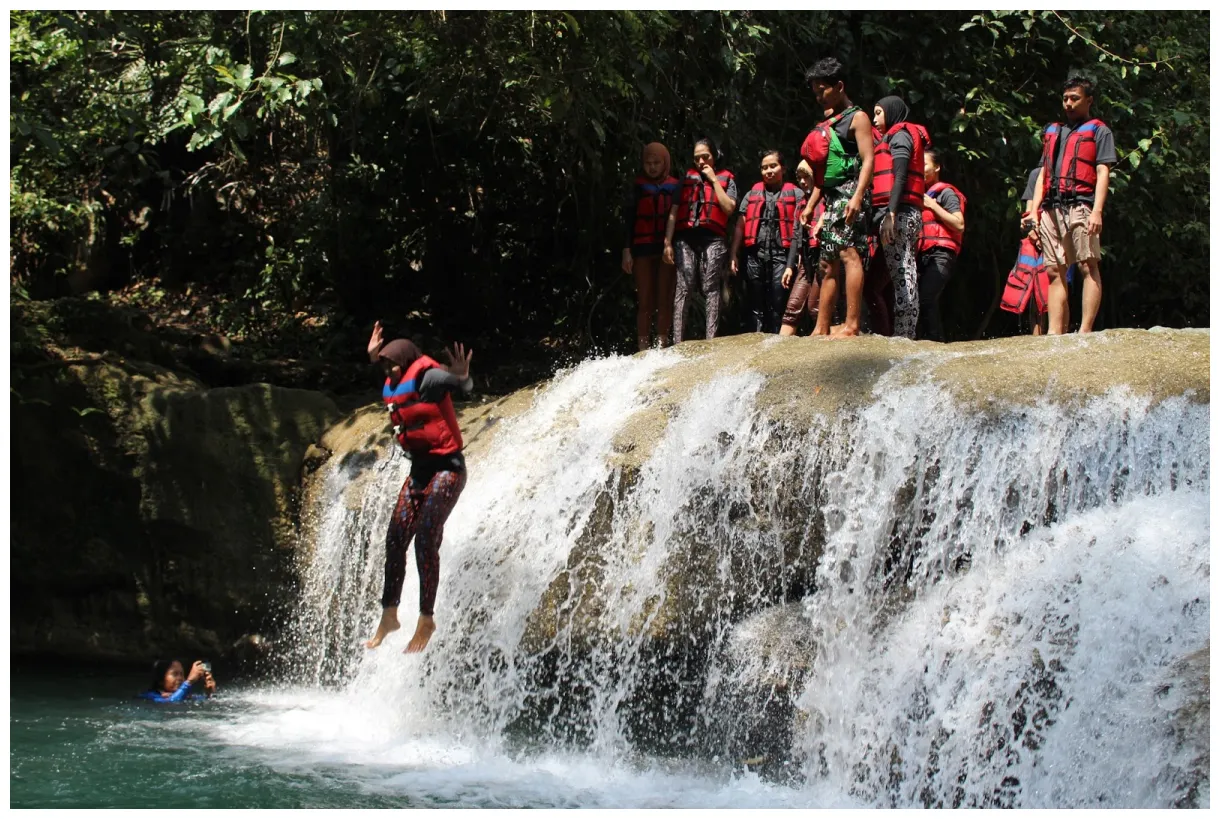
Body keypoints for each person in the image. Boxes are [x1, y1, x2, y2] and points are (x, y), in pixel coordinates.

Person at [364, 321, 473, 654]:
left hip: (449, 470)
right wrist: (373, 356)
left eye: (393, 364)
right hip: (420, 472)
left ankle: (426, 618)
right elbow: (386, 368)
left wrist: (462, 375)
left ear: (407, 361)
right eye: (385, 366)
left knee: (425, 537)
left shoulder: (428, 377)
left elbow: (463, 385)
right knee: (395, 537)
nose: (390, 371)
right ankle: (389, 614)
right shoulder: (394, 382)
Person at [1029, 75, 1117, 334]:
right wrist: (1033, 211)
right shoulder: (1053, 131)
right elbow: (1043, 174)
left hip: (1081, 204)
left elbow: (1103, 172)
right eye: (1065, 98)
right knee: (1054, 270)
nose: (1068, 103)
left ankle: (1085, 331)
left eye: (1074, 98)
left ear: (1088, 100)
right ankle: (1055, 333)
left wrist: (1097, 211)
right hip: (1051, 207)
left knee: (1087, 264)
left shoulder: (1099, 130)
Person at [798, 57, 875, 337]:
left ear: (839, 86)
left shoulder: (858, 118)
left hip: (851, 194)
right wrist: (810, 206)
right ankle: (821, 327)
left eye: (823, 90)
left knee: (848, 254)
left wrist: (857, 197)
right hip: (832, 197)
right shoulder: (829, 122)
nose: (819, 97)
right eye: (816, 92)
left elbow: (869, 161)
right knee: (826, 260)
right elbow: (824, 172)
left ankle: (852, 324)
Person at [663, 137, 737, 342]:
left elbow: (729, 208)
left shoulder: (726, 178)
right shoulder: (686, 178)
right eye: (697, 159)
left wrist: (713, 180)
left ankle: (711, 340)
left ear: (714, 156)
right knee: (684, 286)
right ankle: (677, 341)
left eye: (706, 157)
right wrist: (667, 242)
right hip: (685, 238)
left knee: (710, 286)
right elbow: (674, 211)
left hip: (713, 238)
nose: (702, 162)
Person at [871, 95, 931, 339]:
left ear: (891, 112)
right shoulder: (896, 134)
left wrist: (891, 213)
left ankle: (905, 335)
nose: (874, 119)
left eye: (878, 113)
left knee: (904, 274)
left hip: (901, 215)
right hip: (903, 213)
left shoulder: (901, 135)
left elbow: (901, 175)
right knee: (882, 281)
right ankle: (896, 332)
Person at [730, 149, 804, 334]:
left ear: (783, 168)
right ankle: (756, 343)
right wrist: (733, 254)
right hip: (755, 256)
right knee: (755, 306)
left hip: (782, 256)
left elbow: (799, 229)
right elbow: (740, 226)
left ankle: (778, 345)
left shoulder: (796, 194)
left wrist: (796, 257)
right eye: (764, 168)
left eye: (773, 166)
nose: (768, 171)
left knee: (779, 303)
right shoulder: (751, 195)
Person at [622, 142, 680, 350]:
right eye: (648, 163)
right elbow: (629, 220)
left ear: (665, 162)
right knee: (645, 301)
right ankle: (643, 347)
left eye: (657, 163)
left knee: (664, 298)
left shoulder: (675, 185)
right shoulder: (637, 186)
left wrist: (672, 245)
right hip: (642, 249)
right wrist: (626, 250)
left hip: (665, 250)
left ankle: (662, 344)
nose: (652, 167)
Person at [916, 147, 967, 341]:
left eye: (925, 164)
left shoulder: (945, 193)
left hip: (942, 253)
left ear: (937, 167)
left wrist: (932, 205)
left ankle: (934, 342)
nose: (920, 169)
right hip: (924, 254)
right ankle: (928, 339)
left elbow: (959, 224)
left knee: (926, 298)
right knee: (922, 300)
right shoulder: (920, 194)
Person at [1001, 167, 1052, 334]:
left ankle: (1056, 331)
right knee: (1033, 290)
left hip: (1056, 238)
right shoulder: (1036, 173)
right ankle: (1036, 335)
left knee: (1056, 286)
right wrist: (1033, 232)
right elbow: (1029, 210)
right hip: (1036, 236)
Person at [780, 159, 826, 336]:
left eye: (806, 177)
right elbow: (796, 236)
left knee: (815, 307)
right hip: (806, 261)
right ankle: (778, 352)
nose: (802, 182)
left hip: (824, 257)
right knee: (792, 308)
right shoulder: (801, 204)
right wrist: (790, 266)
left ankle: (824, 348)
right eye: (799, 178)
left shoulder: (829, 199)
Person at [139, 659, 215, 703]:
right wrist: (189, 682)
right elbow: (171, 702)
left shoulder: (187, 695)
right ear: (161, 680)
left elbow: (207, 701)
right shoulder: (150, 696)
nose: (180, 678)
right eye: (175, 674)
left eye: (181, 674)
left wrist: (209, 693)